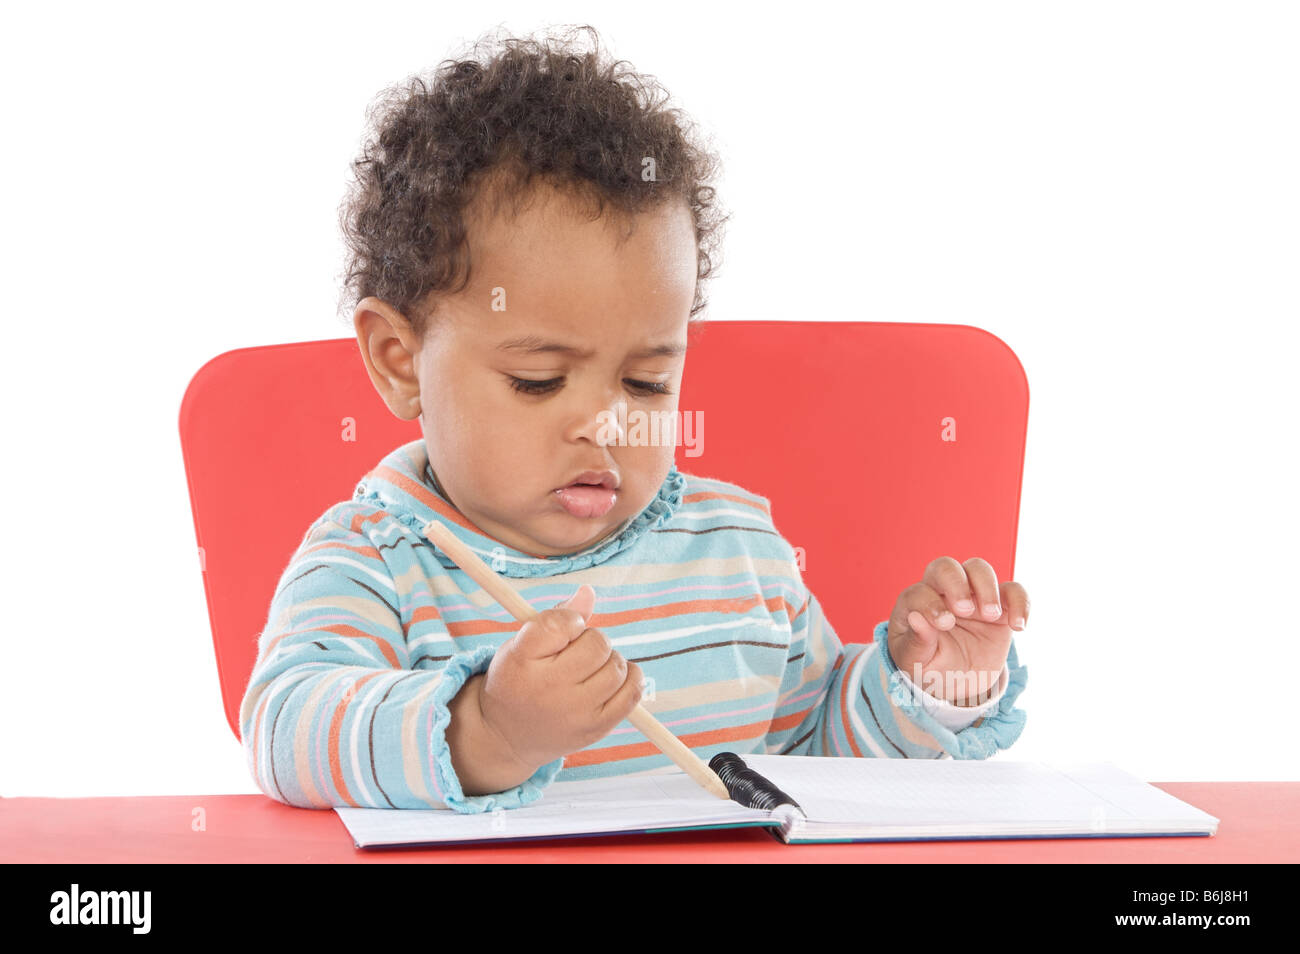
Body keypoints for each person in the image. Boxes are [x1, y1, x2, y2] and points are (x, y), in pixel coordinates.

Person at [240, 25, 1030, 813]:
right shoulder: (377, 558)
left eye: (648, 382)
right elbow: (285, 730)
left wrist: (933, 683)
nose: (609, 426)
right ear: (399, 360)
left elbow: (813, 751)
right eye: (538, 380)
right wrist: (490, 729)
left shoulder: (738, 552)